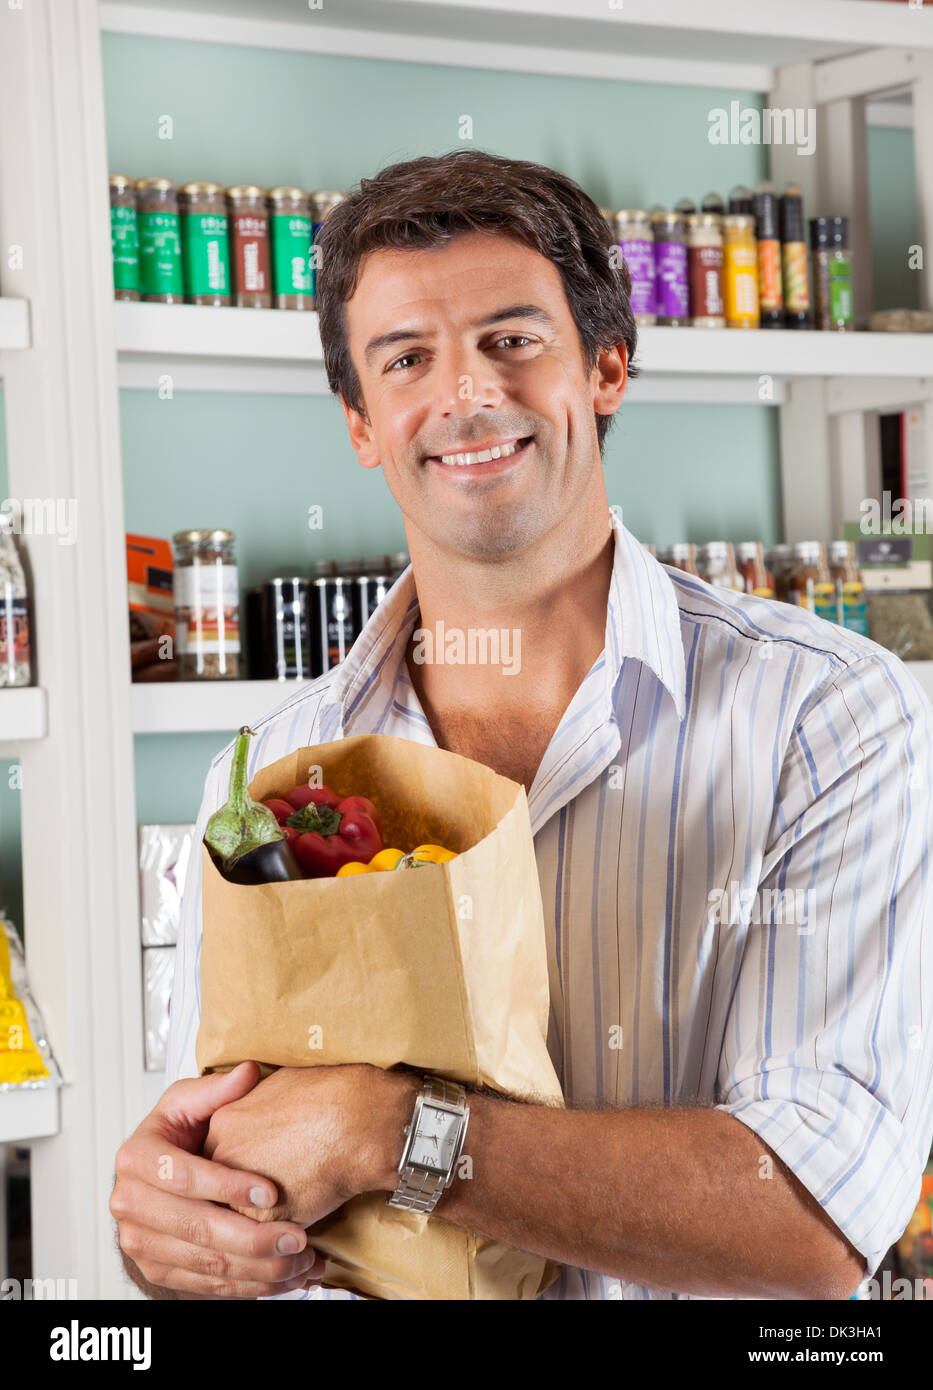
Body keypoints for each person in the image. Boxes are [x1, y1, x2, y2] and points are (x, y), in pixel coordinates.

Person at [111, 149, 933, 1301]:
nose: (465, 395)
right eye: (408, 359)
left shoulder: (826, 717)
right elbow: (238, 1169)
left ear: (606, 366)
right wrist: (175, 1234)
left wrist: (398, 1133)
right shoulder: (260, 784)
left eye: (513, 338)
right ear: (360, 421)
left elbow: (814, 1219)